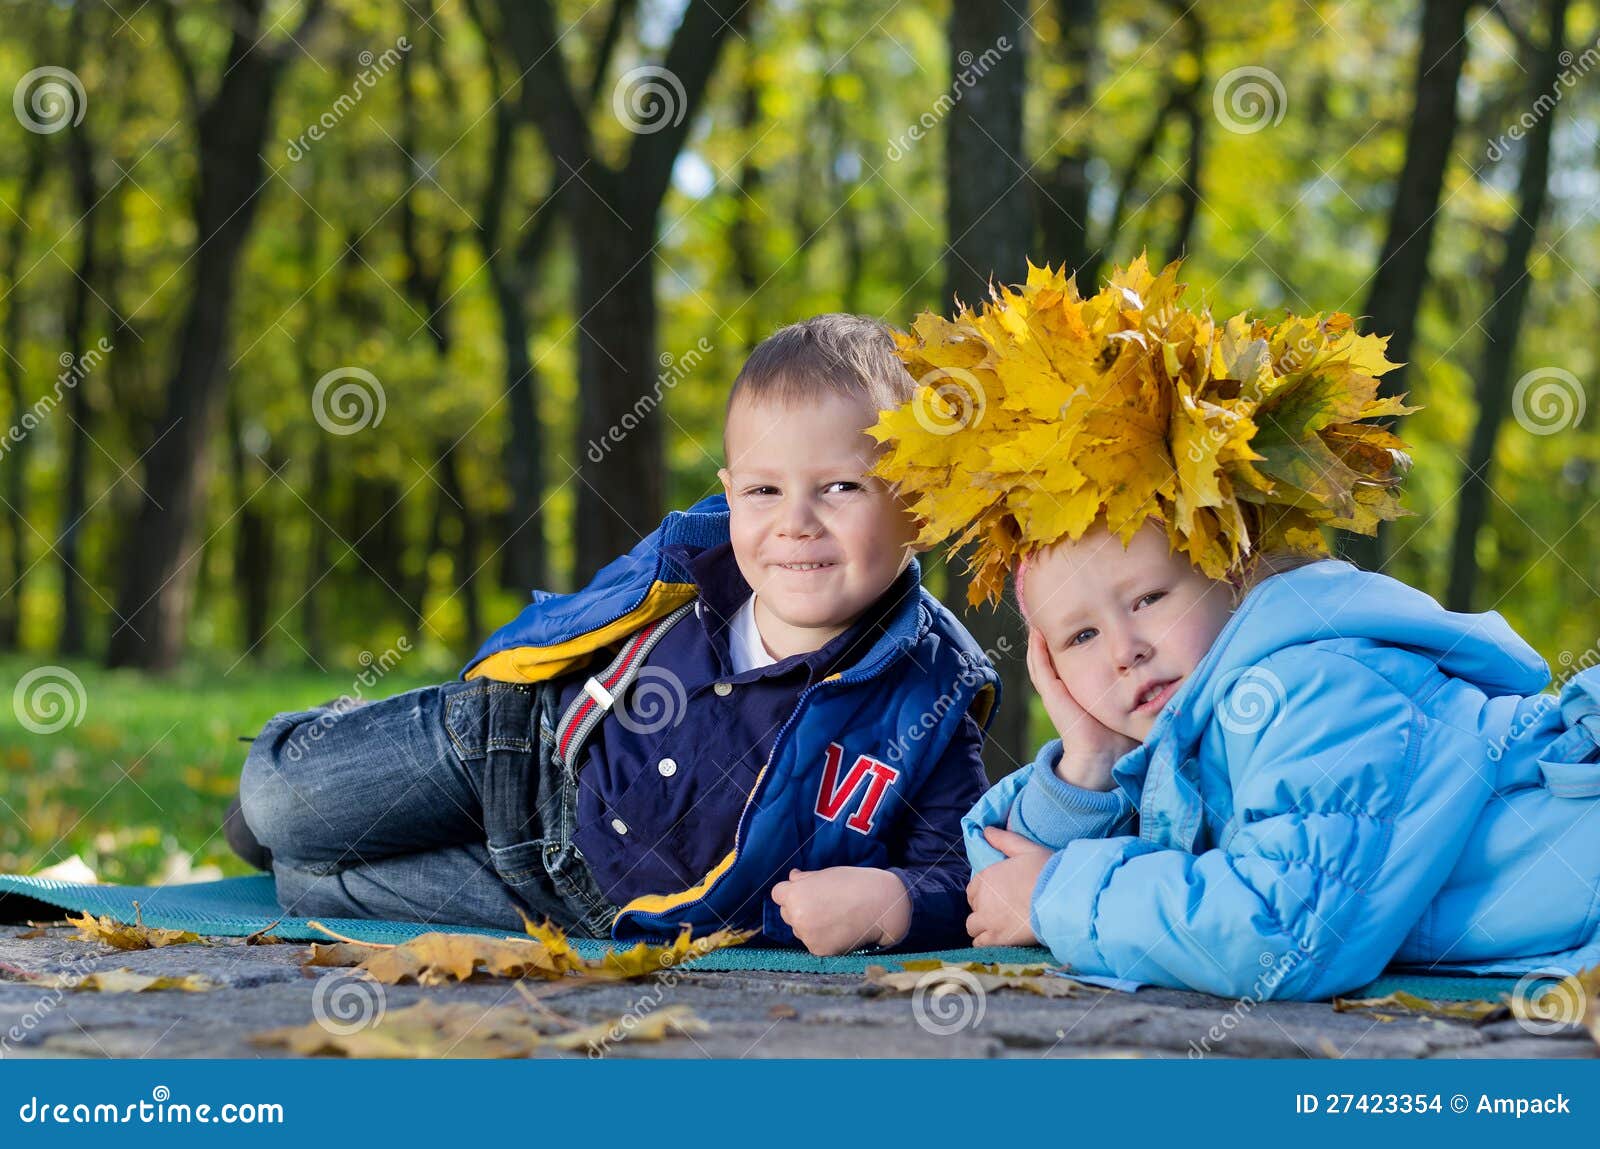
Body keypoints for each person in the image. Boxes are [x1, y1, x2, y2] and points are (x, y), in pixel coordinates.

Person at [869, 256, 1600, 998]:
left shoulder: (1317, 685)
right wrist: (1087, 764)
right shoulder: (1182, 750)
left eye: (1149, 598)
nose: (1125, 650)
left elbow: (1278, 935)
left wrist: (1056, 892)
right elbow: (999, 882)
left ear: (1233, 575)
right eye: (1080, 637)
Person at [231, 314, 999, 956]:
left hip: (580, 901)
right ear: (730, 494)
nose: (795, 521)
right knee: (275, 804)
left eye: (840, 486)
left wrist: (893, 901)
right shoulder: (699, 569)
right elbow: (583, 619)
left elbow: (962, 877)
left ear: (919, 505)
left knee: (310, 884)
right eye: (764, 489)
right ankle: (332, 748)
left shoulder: (931, 696)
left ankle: (327, 825)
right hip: (521, 745)